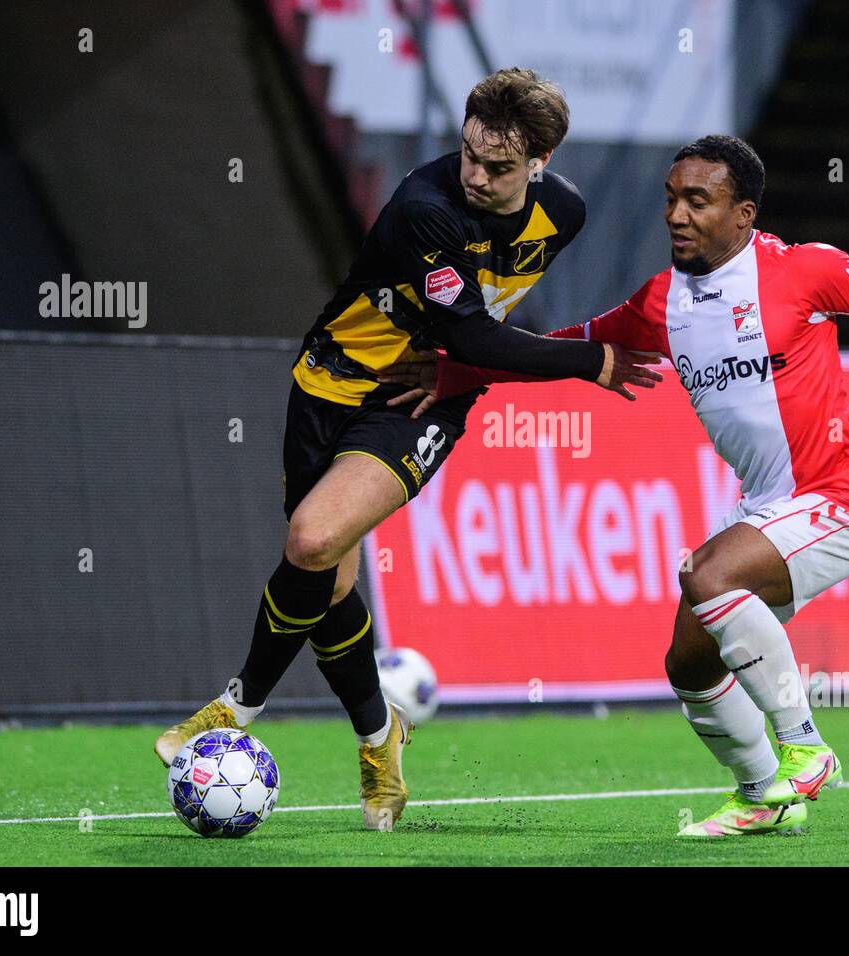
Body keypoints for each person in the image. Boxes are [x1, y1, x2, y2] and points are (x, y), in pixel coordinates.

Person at [380, 133, 849, 836]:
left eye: (697, 201)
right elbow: (565, 348)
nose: (676, 216)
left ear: (743, 214)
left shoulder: (806, 271)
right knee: (687, 661)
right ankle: (761, 794)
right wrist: (463, 371)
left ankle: (805, 742)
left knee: (707, 576)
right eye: (670, 199)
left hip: (845, 498)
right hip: (767, 506)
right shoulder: (662, 302)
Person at [152, 68, 662, 832]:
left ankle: (236, 706)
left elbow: (478, 331)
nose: (477, 176)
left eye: (498, 167)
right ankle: (380, 736)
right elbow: (476, 331)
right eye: (468, 156)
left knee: (312, 538)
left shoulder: (566, 213)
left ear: (540, 163)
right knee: (324, 583)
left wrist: (461, 369)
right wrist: (585, 363)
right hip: (326, 385)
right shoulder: (427, 209)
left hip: (419, 401)